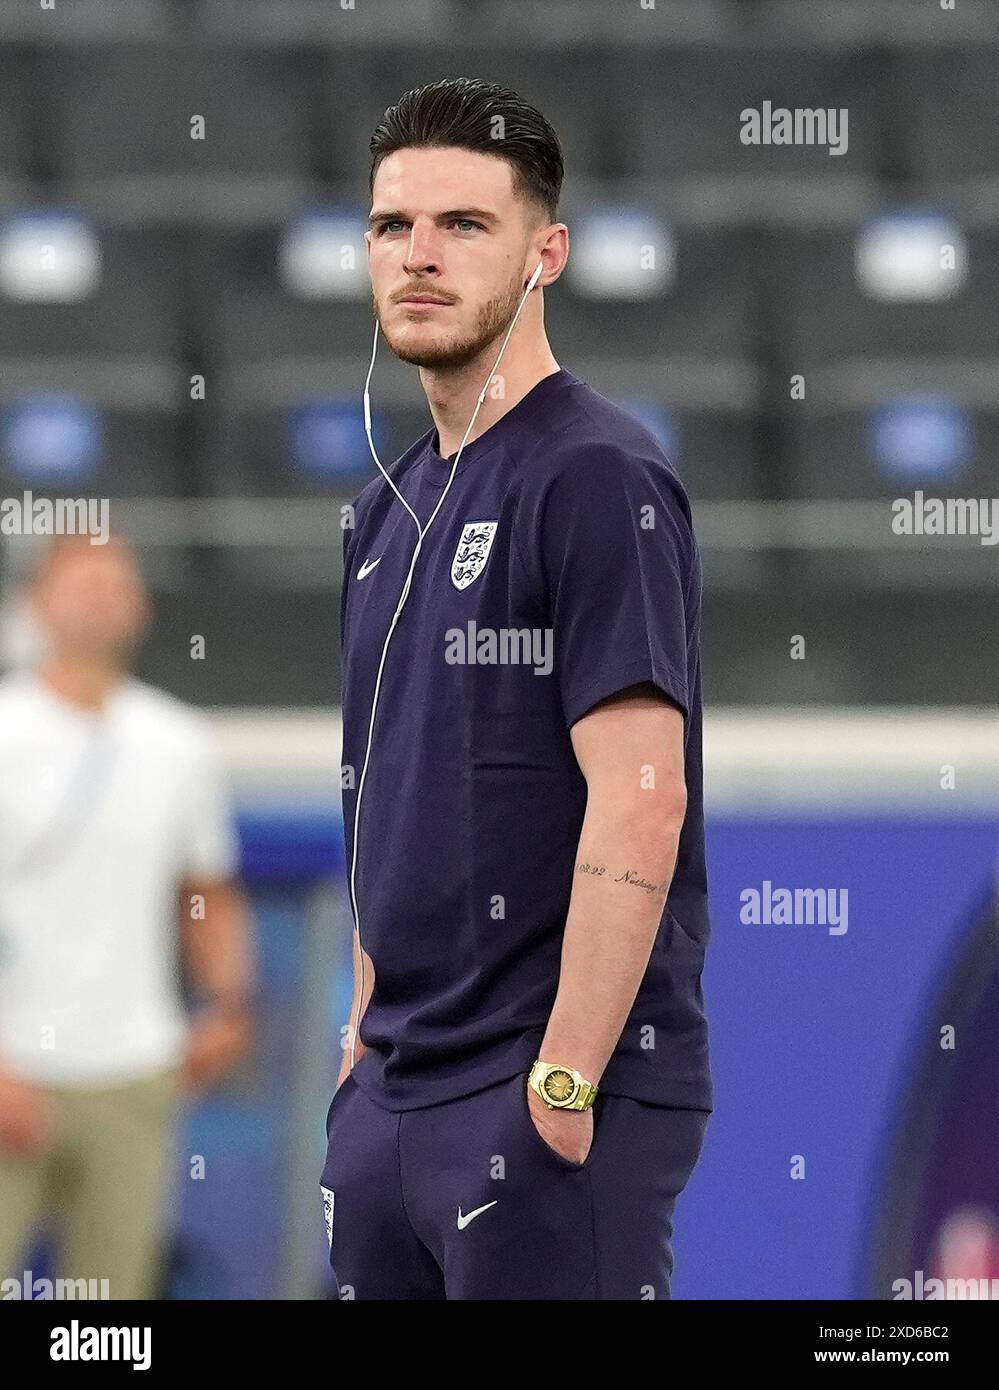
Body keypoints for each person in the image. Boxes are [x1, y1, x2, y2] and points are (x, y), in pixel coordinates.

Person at [321, 77, 711, 1300]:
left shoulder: (595, 476)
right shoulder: (384, 509)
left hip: (539, 1093)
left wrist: (562, 1083)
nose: (419, 257)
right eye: (394, 227)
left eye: (463, 226)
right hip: (392, 1095)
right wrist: (359, 1037)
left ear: (546, 252)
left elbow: (643, 797)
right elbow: (380, 793)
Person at [0, 533, 254, 1300]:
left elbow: (205, 891)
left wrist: (229, 1007)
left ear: (141, 608)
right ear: (36, 605)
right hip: (12, 1063)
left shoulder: (178, 743)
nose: (100, 598)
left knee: (111, 1305)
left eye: (116, 584)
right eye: (81, 583)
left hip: (134, 1070)